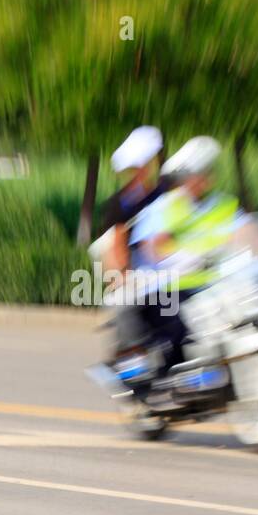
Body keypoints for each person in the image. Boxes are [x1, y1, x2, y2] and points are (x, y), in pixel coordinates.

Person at [130, 136, 243, 372]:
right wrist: (185, 257)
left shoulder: (224, 204)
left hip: (213, 286)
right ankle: (172, 374)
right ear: (184, 177)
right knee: (180, 327)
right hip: (167, 287)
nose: (203, 178)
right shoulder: (165, 207)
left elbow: (247, 232)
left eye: (206, 172)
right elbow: (153, 248)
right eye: (197, 173)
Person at [96, 126, 164, 358]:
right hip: (137, 267)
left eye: (144, 166)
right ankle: (133, 352)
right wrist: (122, 275)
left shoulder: (164, 195)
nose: (140, 172)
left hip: (169, 262)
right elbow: (115, 242)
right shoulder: (120, 204)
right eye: (134, 169)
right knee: (123, 302)